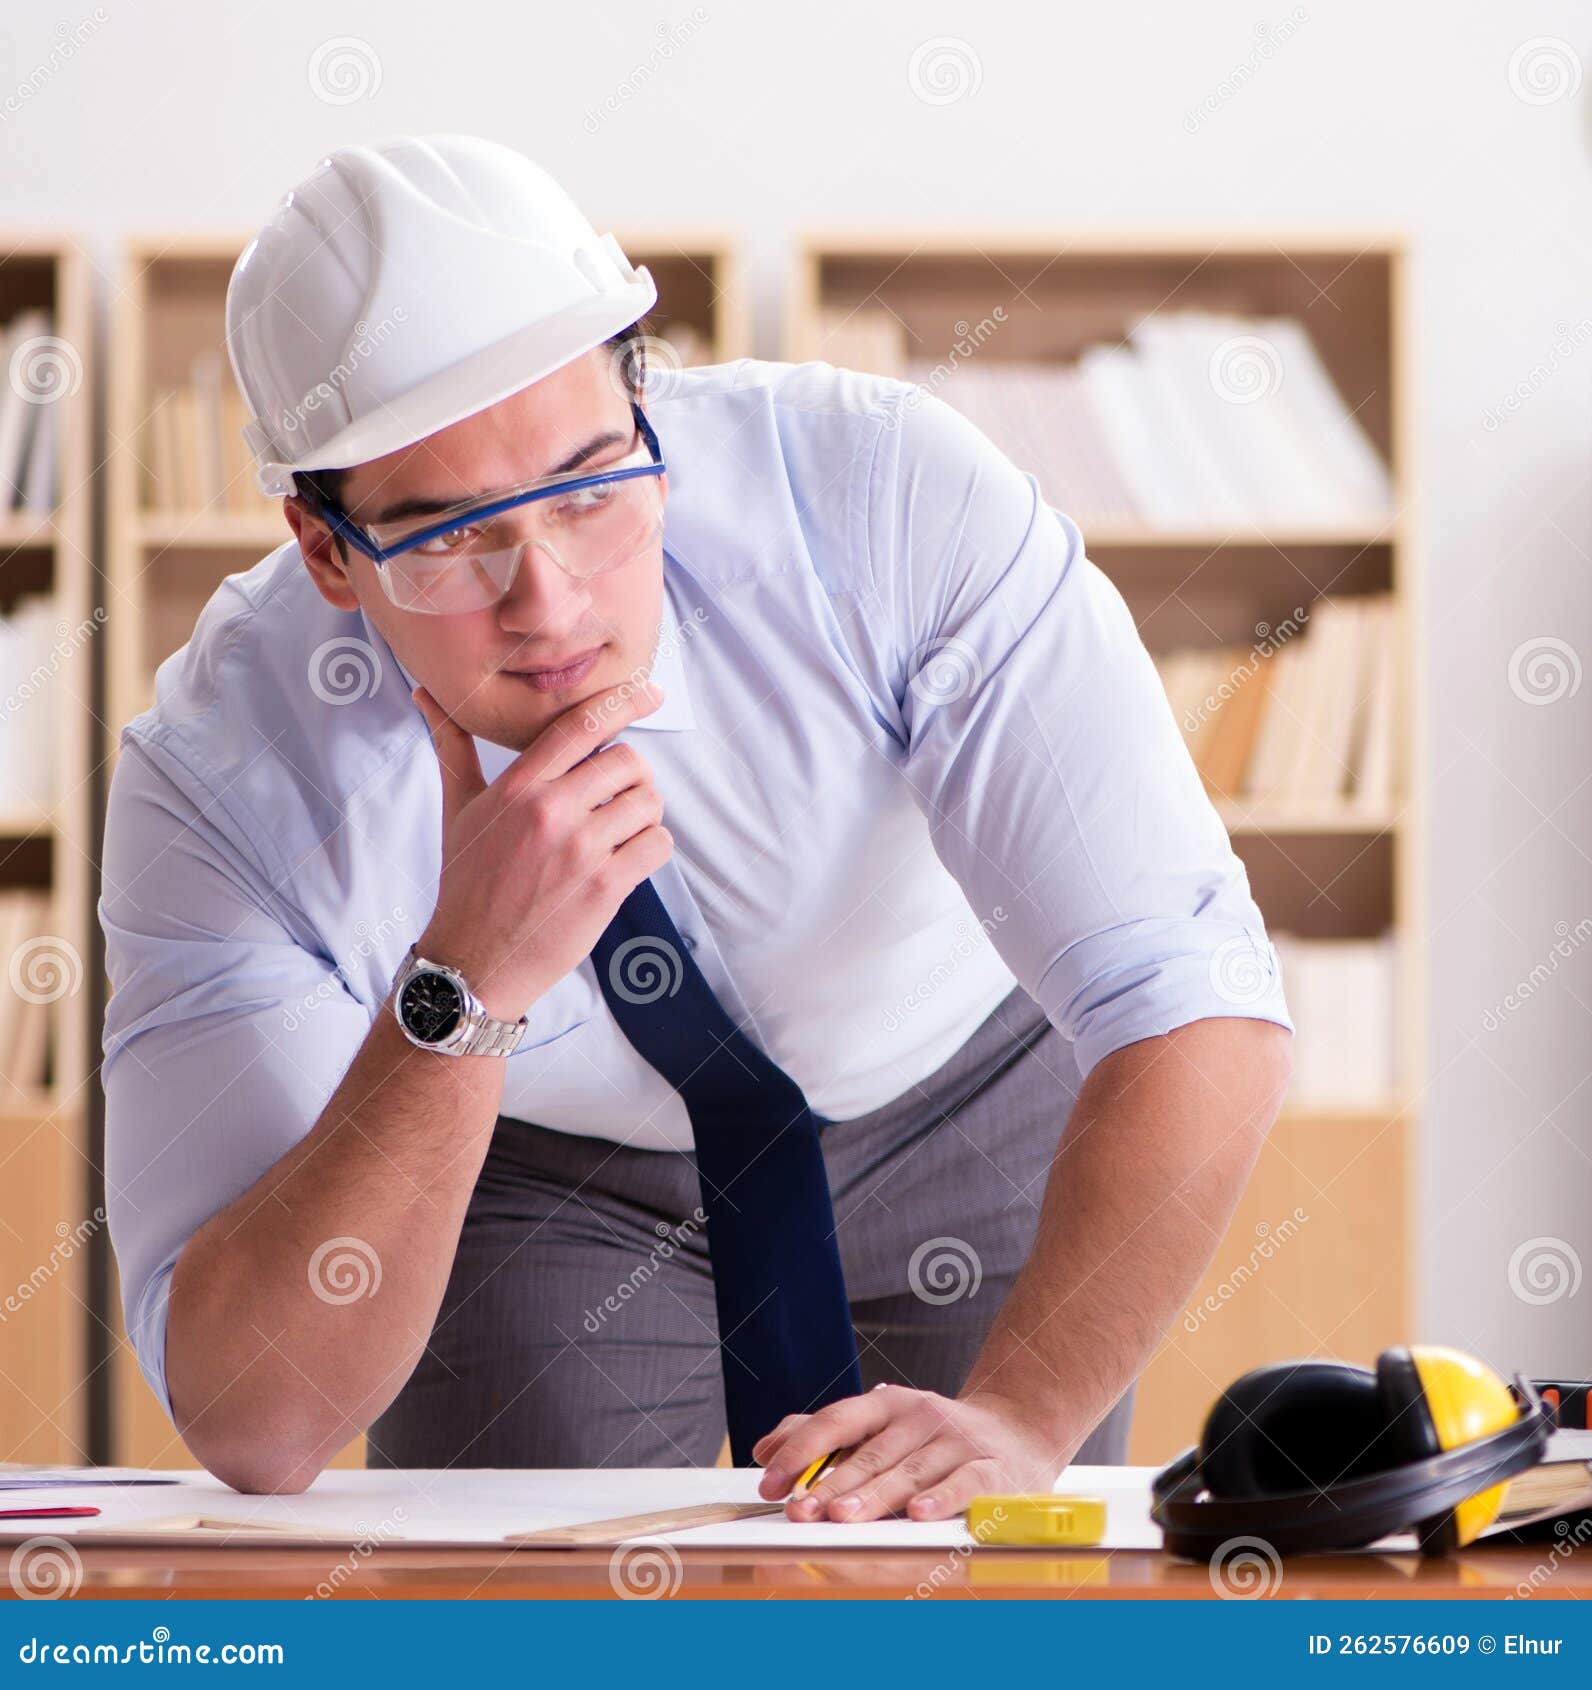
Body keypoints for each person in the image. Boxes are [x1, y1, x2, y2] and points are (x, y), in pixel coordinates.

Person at [100, 134, 1294, 1521]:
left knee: (973, 1584)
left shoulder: (881, 495)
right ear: (325, 554)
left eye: (590, 487)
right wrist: (461, 984)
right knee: (544, 1614)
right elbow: (255, 1414)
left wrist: (1025, 1415)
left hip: (959, 1090)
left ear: (649, 419)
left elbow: (1195, 999)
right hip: (532, 1163)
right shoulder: (226, 763)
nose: (544, 600)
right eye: (447, 537)